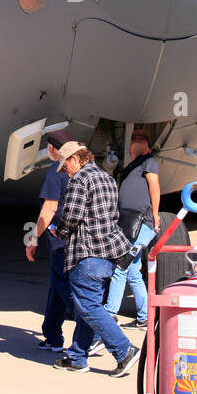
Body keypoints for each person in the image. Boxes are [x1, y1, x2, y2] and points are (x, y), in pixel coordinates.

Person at [51, 143, 141, 377]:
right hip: (106, 252)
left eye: (66, 166)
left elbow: (71, 216)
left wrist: (58, 232)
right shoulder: (107, 178)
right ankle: (77, 357)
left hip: (86, 251)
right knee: (87, 306)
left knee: (88, 307)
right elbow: (112, 215)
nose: (66, 172)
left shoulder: (80, 180)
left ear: (75, 159)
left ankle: (124, 350)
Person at [24, 129, 82, 353]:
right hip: (76, 238)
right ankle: (52, 335)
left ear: (51, 149)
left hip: (61, 241)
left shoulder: (55, 170)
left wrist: (33, 237)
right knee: (57, 289)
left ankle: (93, 331)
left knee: (67, 288)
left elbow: (49, 208)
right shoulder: (80, 170)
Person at [105, 130, 161, 329]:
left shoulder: (149, 161)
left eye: (142, 138)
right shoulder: (130, 167)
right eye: (134, 138)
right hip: (128, 223)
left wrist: (155, 214)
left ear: (148, 145)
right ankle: (145, 317)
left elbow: (154, 186)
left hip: (142, 223)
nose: (137, 140)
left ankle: (110, 313)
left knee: (121, 266)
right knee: (132, 272)